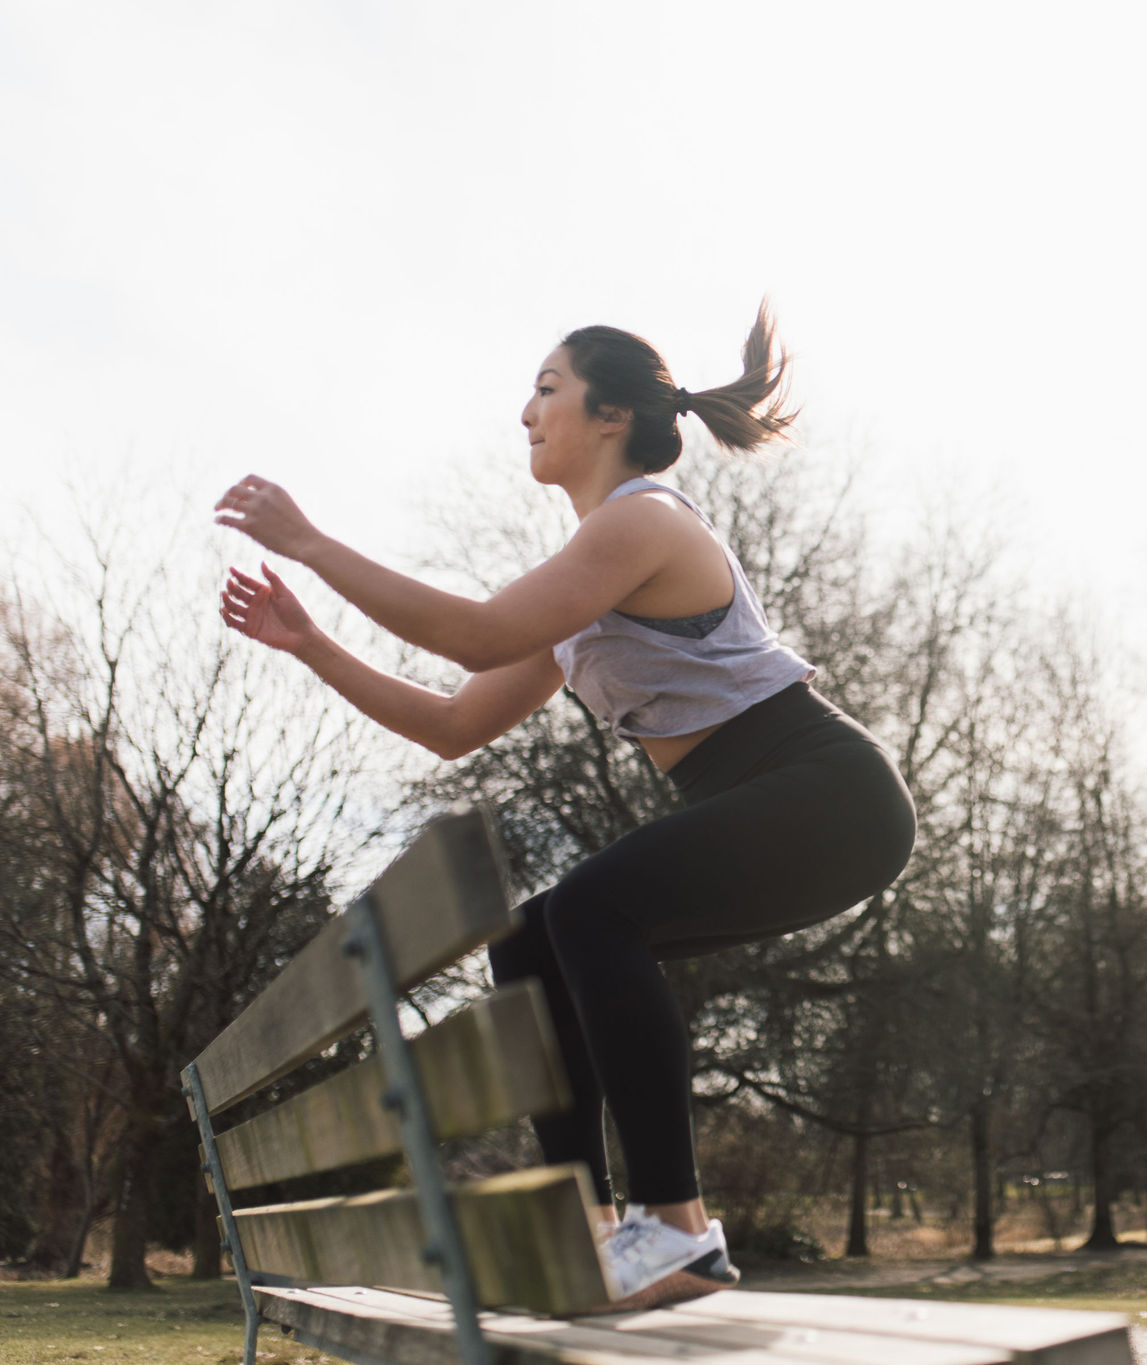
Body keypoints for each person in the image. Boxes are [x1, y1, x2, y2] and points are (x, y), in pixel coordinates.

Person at [215, 303, 916, 1311]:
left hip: (823, 788)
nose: (525, 412)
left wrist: (314, 544)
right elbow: (455, 722)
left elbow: (476, 632)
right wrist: (312, 643)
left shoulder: (644, 518)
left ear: (610, 416)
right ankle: (592, 1235)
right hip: (782, 800)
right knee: (535, 938)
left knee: (589, 910)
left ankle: (673, 1229)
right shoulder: (588, 581)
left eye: (547, 388)